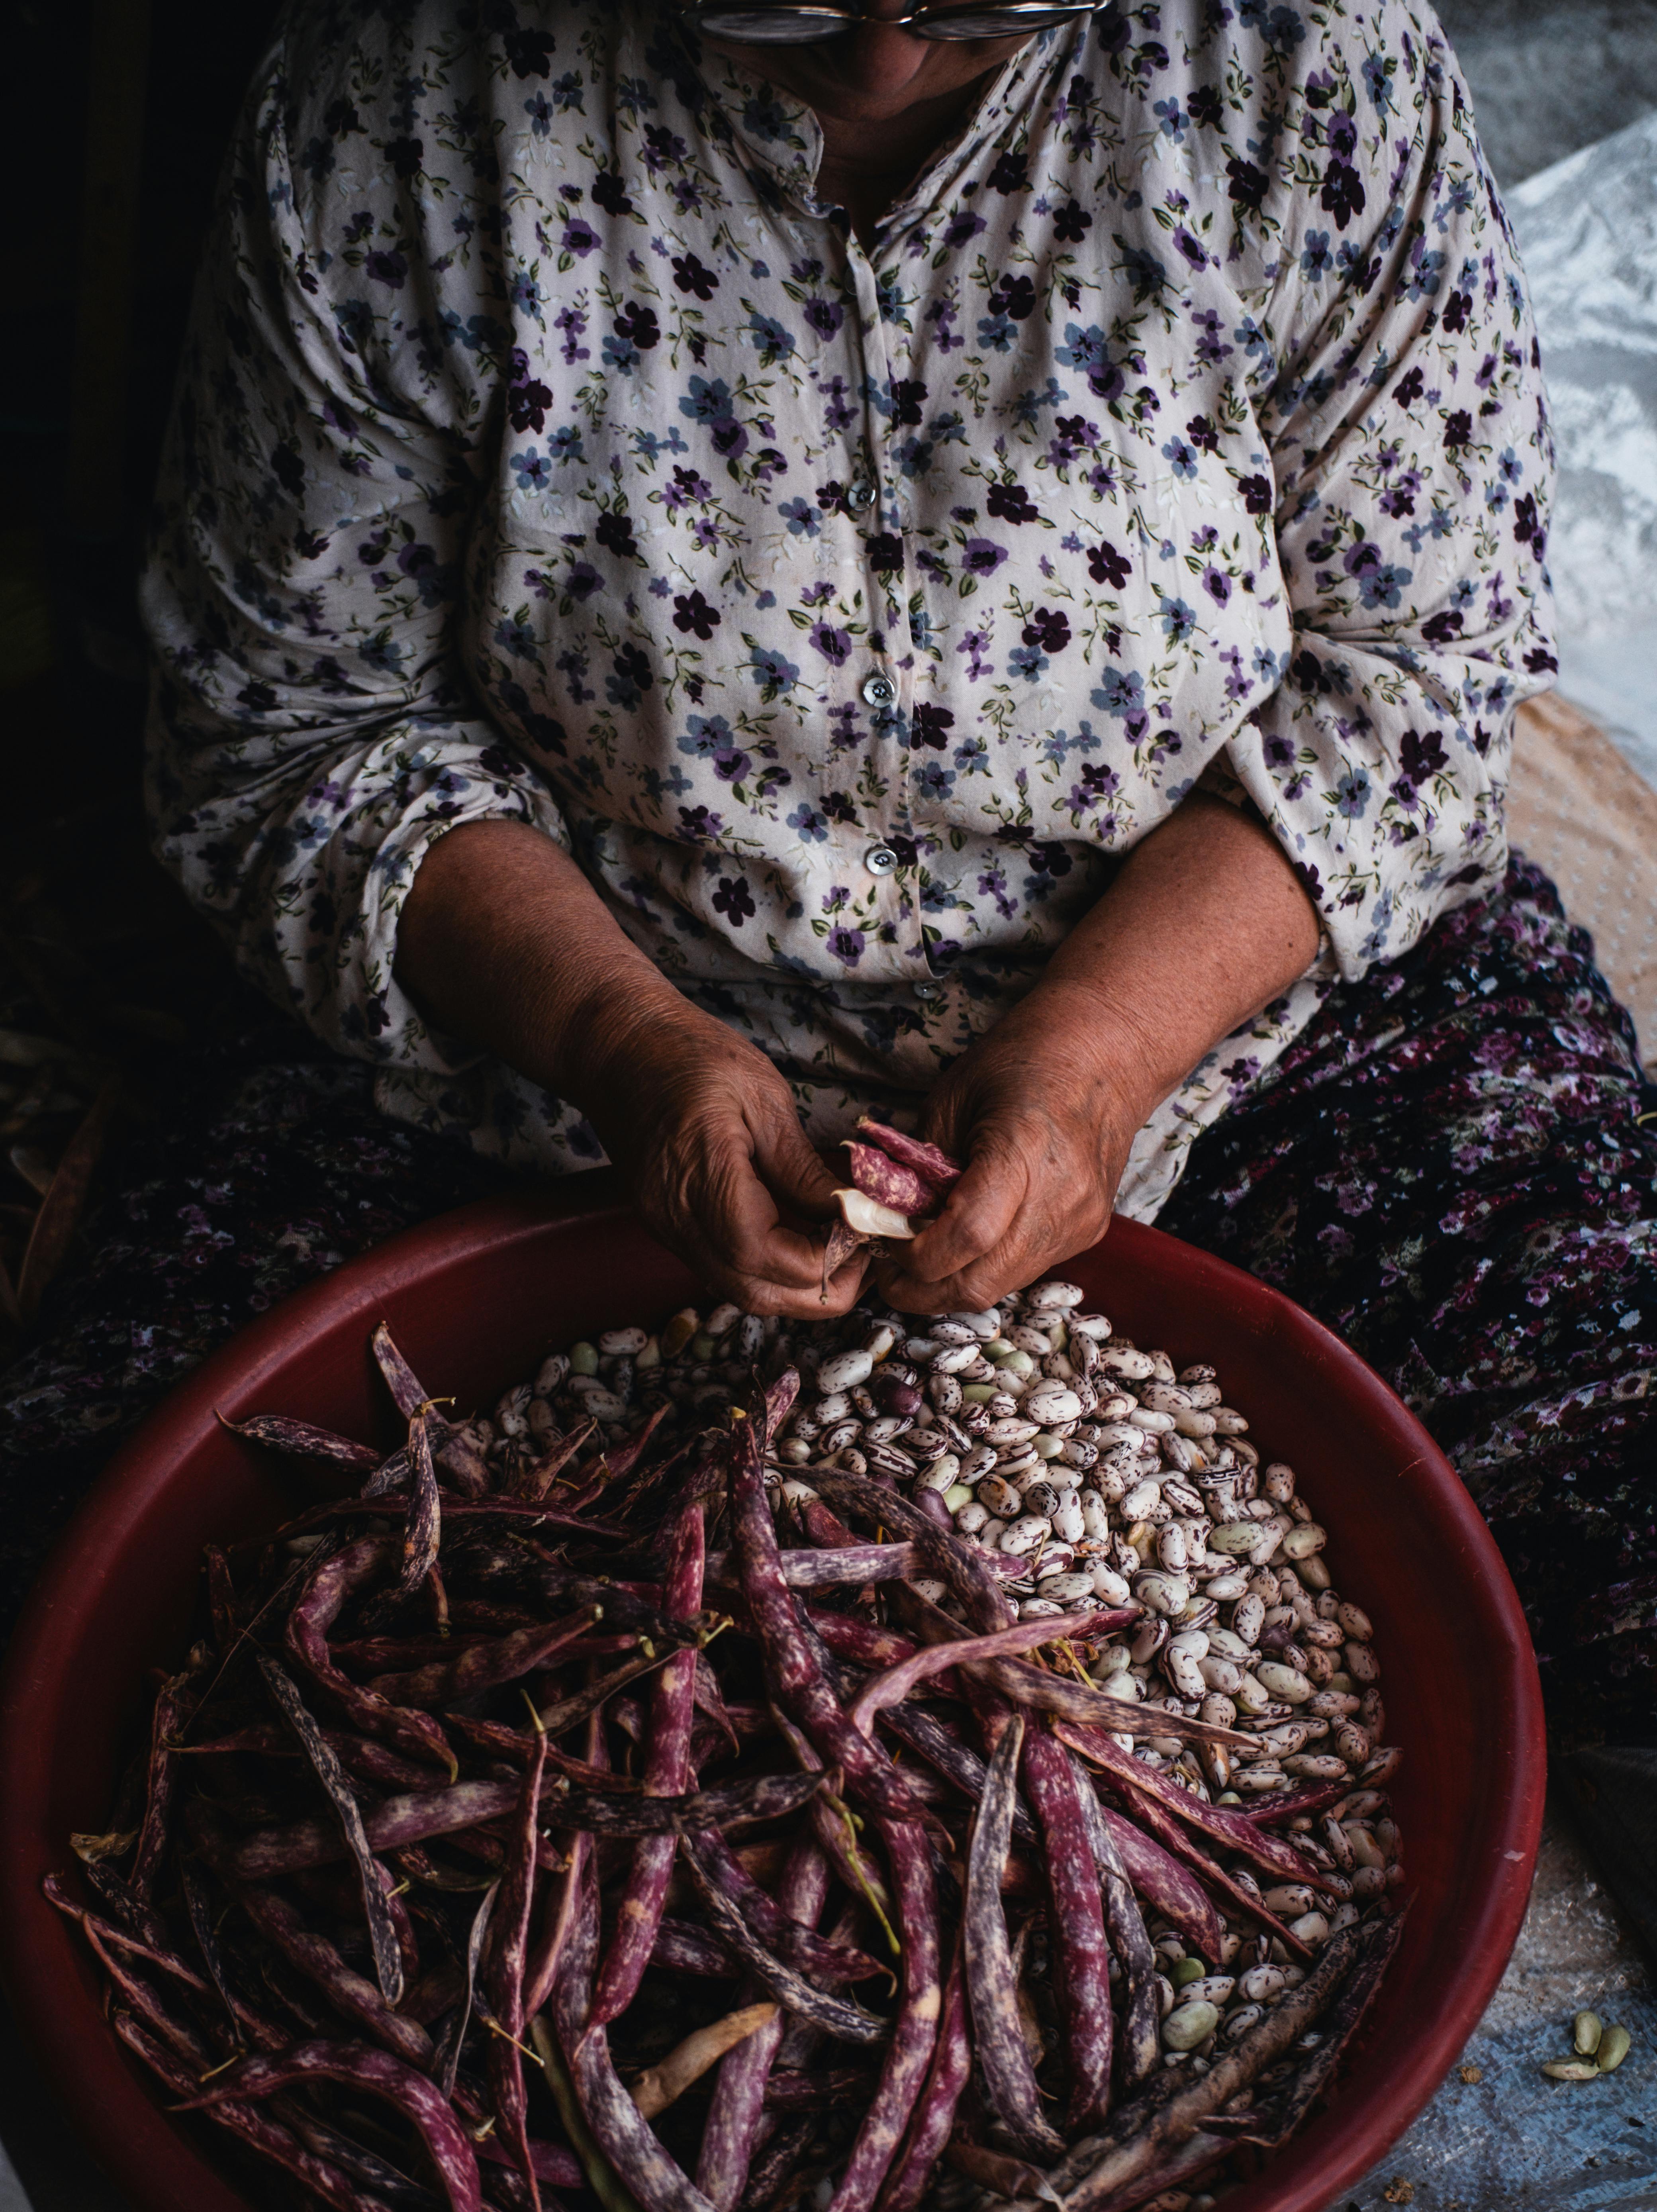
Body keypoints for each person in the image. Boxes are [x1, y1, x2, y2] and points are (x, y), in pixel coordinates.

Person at [7, 0, 1649, 1779]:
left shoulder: (1296, 57)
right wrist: (628, 1046)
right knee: (161, 1632)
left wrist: (1100, 1057)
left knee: (1618, 1488)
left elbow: (1413, 663)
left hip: (1230, 993)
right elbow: (292, 721)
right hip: (542, 1018)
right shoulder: (402, 96)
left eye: (973, 9)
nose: (873, 61)